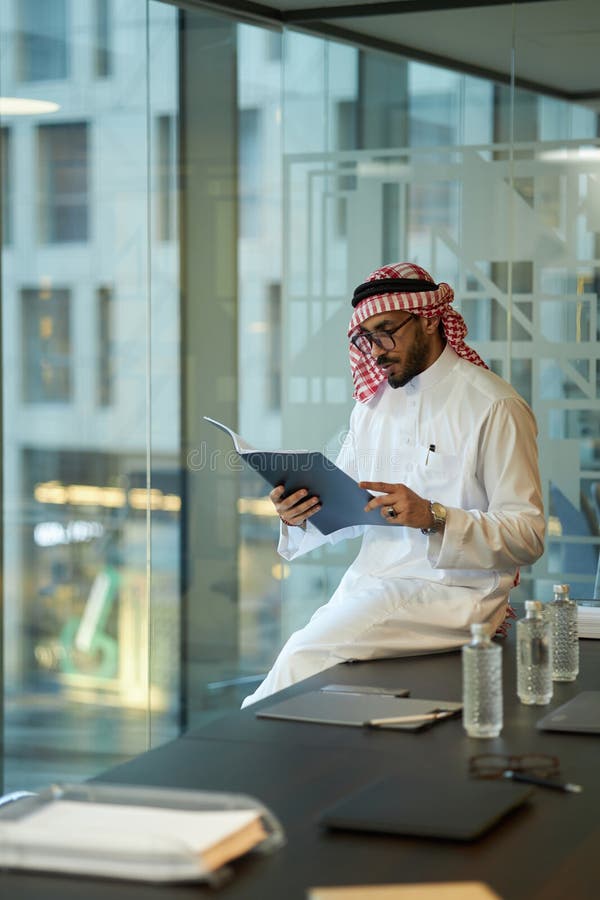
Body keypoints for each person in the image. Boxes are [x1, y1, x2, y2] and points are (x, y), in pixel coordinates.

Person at [241, 262, 545, 707]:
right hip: (369, 584)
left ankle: (238, 760)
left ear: (428, 317)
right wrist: (299, 513)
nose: (377, 350)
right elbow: (348, 504)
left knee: (303, 656)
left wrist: (434, 517)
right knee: (307, 665)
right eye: (366, 338)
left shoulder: (494, 405)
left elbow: (529, 536)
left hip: (452, 592)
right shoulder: (373, 406)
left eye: (386, 331)